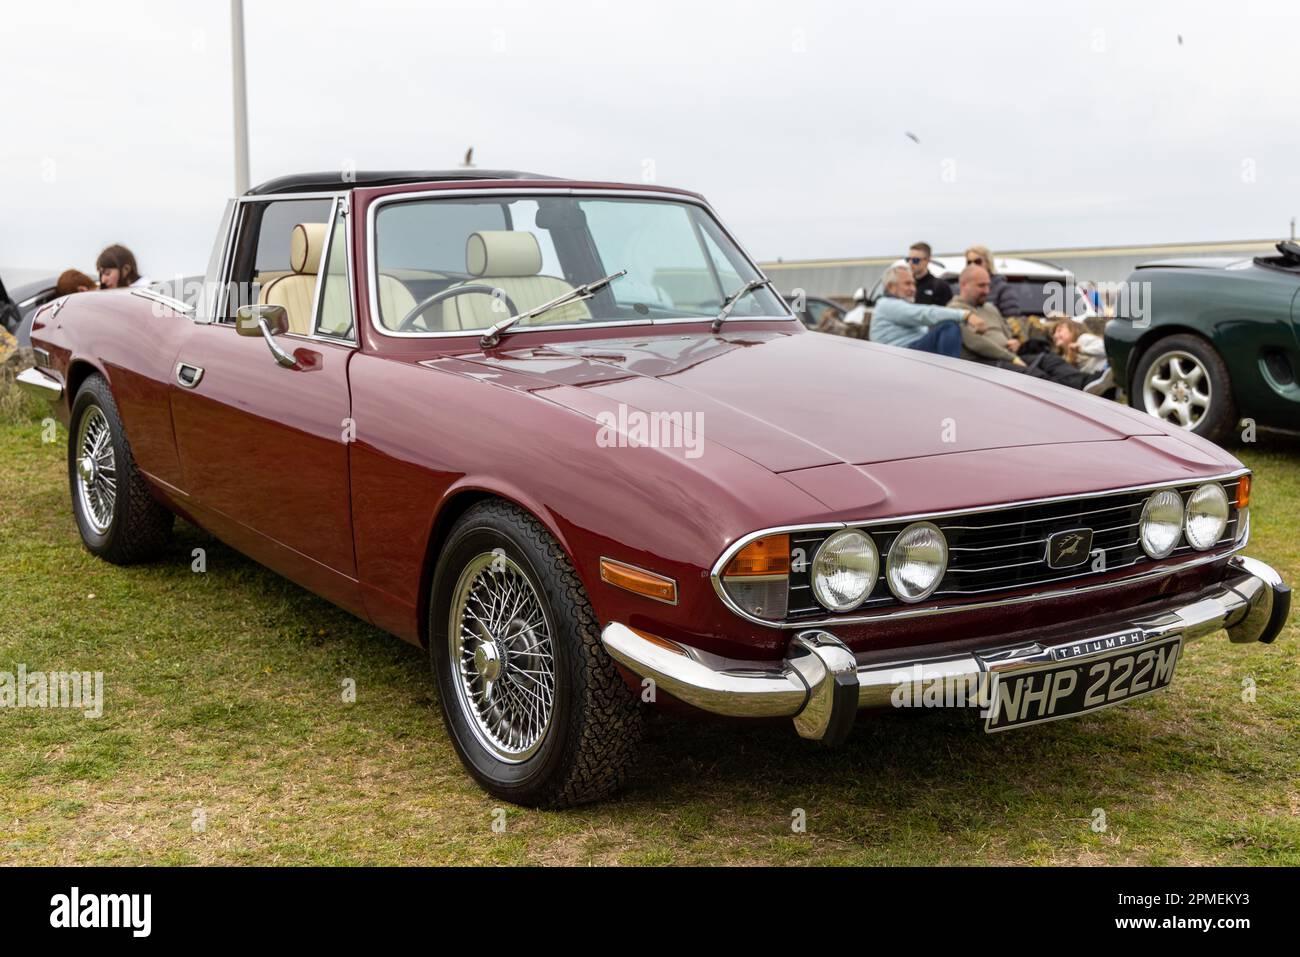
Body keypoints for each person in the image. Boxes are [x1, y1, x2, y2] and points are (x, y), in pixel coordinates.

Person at [868, 265, 985, 357]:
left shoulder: (892, 305)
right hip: (900, 356)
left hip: (904, 355)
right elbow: (925, 314)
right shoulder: (887, 305)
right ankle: (949, 377)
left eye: (914, 284)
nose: (913, 289)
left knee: (946, 327)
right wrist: (965, 315)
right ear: (890, 287)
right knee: (948, 326)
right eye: (907, 284)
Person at [949, 265, 1025, 367]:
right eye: (981, 286)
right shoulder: (955, 311)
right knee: (1038, 377)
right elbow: (976, 343)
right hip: (988, 364)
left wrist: (1015, 343)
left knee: (1050, 362)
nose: (987, 291)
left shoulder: (990, 308)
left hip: (1011, 356)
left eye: (988, 285)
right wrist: (1012, 358)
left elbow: (1008, 333)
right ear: (963, 285)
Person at [964, 244, 1020, 317]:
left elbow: (1011, 319)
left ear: (988, 263)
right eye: (969, 263)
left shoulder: (1003, 290)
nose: (973, 265)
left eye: (977, 261)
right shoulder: (964, 288)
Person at [906, 242, 952, 306]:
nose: (910, 263)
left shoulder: (940, 286)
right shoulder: (904, 285)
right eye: (908, 259)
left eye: (915, 260)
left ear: (927, 260)